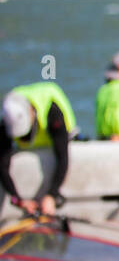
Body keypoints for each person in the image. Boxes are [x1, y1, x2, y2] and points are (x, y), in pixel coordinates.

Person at [1, 81, 78, 217]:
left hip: (61, 133)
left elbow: (63, 158)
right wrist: (18, 200)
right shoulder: (8, 119)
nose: (24, 138)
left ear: (31, 113)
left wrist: (51, 195)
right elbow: (2, 164)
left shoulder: (52, 112)